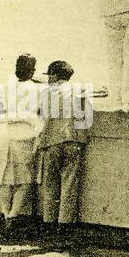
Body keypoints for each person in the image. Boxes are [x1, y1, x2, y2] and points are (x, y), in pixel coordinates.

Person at [0, 55, 44, 240]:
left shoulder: (5, 86)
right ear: (33, 70)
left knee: (4, 179)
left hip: (4, 135)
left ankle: (5, 216)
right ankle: (13, 217)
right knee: (25, 180)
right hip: (24, 135)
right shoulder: (37, 89)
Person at [35, 60, 90, 238]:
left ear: (55, 75)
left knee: (50, 184)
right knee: (69, 184)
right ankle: (64, 226)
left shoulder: (45, 93)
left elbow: (40, 115)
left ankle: (48, 224)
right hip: (73, 141)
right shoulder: (79, 91)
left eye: (50, 75)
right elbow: (84, 118)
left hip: (51, 142)